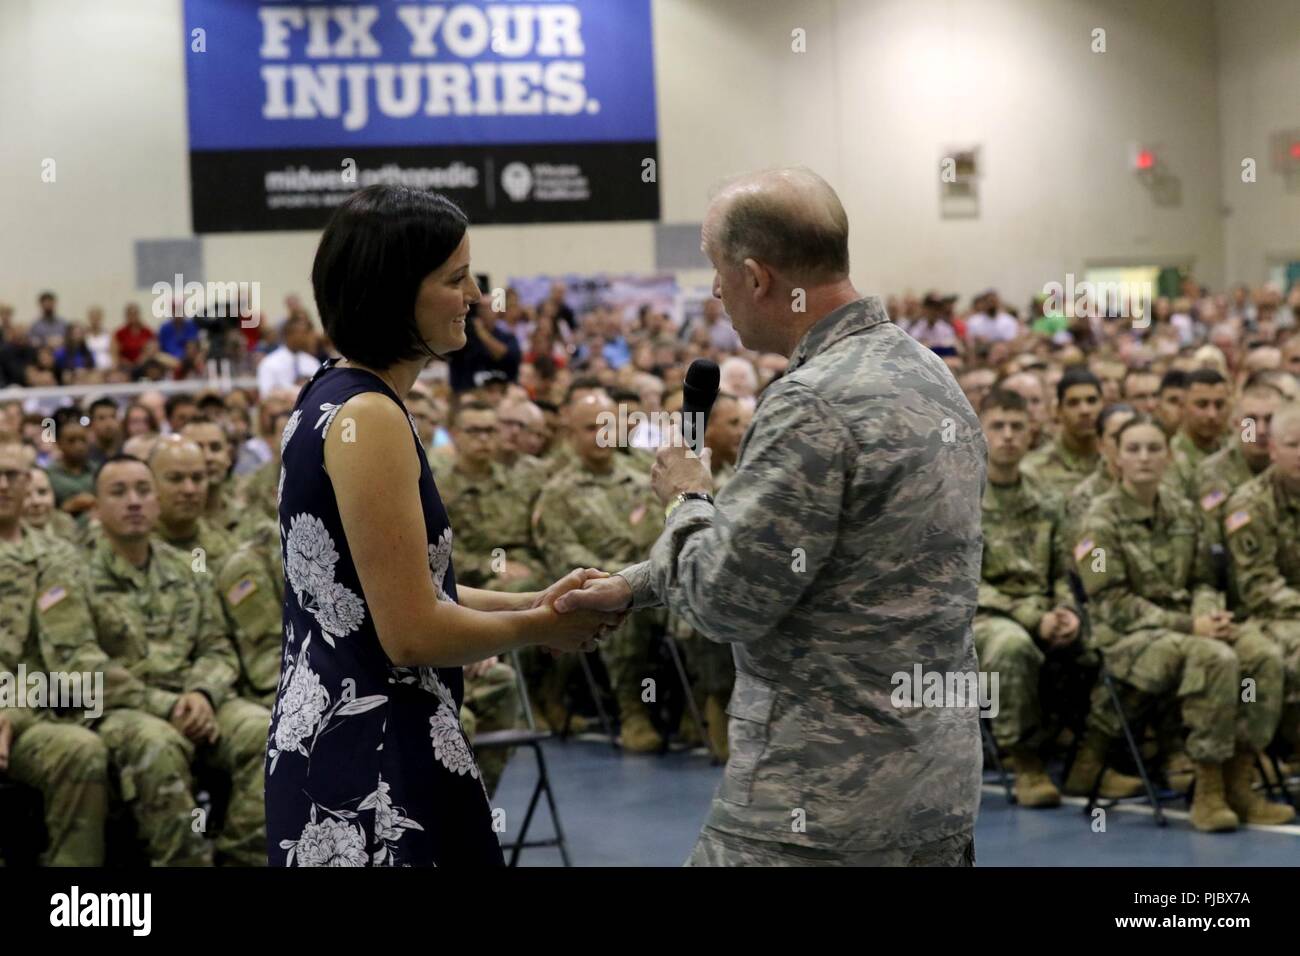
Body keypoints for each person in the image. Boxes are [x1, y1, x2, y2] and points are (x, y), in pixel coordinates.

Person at [555, 167, 986, 865]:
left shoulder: (811, 402)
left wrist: (687, 497)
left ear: (756, 277)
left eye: (716, 269)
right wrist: (633, 586)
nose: (715, 290)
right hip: (934, 788)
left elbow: (724, 601)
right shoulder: (927, 373)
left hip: (817, 797)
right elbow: (815, 554)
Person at [266, 184, 619, 867]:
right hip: (374, 752)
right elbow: (412, 633)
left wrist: (535, 600)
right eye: (456, 279)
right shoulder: (370, 417)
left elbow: (400, 590)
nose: (475, 297)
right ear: (395, 292)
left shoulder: (331, 392)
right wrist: (542, 628)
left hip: (342, 734)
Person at [1070, 416, 1292, 830]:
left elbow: (1204, 579)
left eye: (1154, 448)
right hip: (1127, 639)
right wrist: (1191, 626)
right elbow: (1111, 603)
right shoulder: (1098, 521)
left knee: (1262, 655)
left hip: (1189, 627)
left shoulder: (1185, 512)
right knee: (1215, 658)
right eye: (1133, 449)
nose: (1144, 457)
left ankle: (1239, 778)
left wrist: (1207, 614)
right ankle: (1208, 791)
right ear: (1117, 458)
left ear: (1168, 457)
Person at [0, 442, 109, 866]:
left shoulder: (58, 556)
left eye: (13, 475)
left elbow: (74, 656)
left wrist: (13, 712)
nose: (3, 485)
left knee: (82, 750)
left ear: (28, 482)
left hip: (35, 710)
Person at [256, 314, 321, 395]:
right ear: (288, 335)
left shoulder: (312, 362)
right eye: (303, 333)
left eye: (308, 333)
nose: (308, 337)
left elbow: (320, 392)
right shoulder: (270, 363)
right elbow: (266, 394)